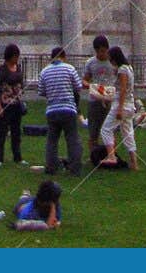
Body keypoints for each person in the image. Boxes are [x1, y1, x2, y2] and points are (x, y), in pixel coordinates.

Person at [39, 46, 83, 177]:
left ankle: (51, 167)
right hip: (68, 108)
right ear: (63, 56)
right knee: (72, 139)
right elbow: (78, 87)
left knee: (52, 140)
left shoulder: (44, 72)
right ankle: (75, 168)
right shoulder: (70, 69)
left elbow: (41, 91)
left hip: (52, 110)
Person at [98, 46, 138, 171]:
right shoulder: (128, 68)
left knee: (105, 129)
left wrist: (119, 108)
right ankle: (134, 162)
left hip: (123, 105)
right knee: (127, 133)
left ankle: (111, 156)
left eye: (111, 58)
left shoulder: (122, 70)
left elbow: (122, 90)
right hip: (129, 104)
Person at [0, 43, 26, 167]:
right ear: (9, 56)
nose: (17, 59)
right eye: (15, 56)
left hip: (17, 103)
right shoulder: (1, 70)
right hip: (5, 103)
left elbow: (21, 83)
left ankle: (18, 157)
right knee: (2, 132)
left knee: (16, 132)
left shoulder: (19, 68)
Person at [82, 36, 116, 164]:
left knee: (109, 129)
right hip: (95, 99)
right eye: (99, 52)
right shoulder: (91, 62)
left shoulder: (112, 62)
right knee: (93, 130)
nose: (101, 54)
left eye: (103, 51)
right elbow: (85, 79)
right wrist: (90, 86)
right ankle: (93, 156)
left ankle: (111, 154)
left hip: (110, 98)